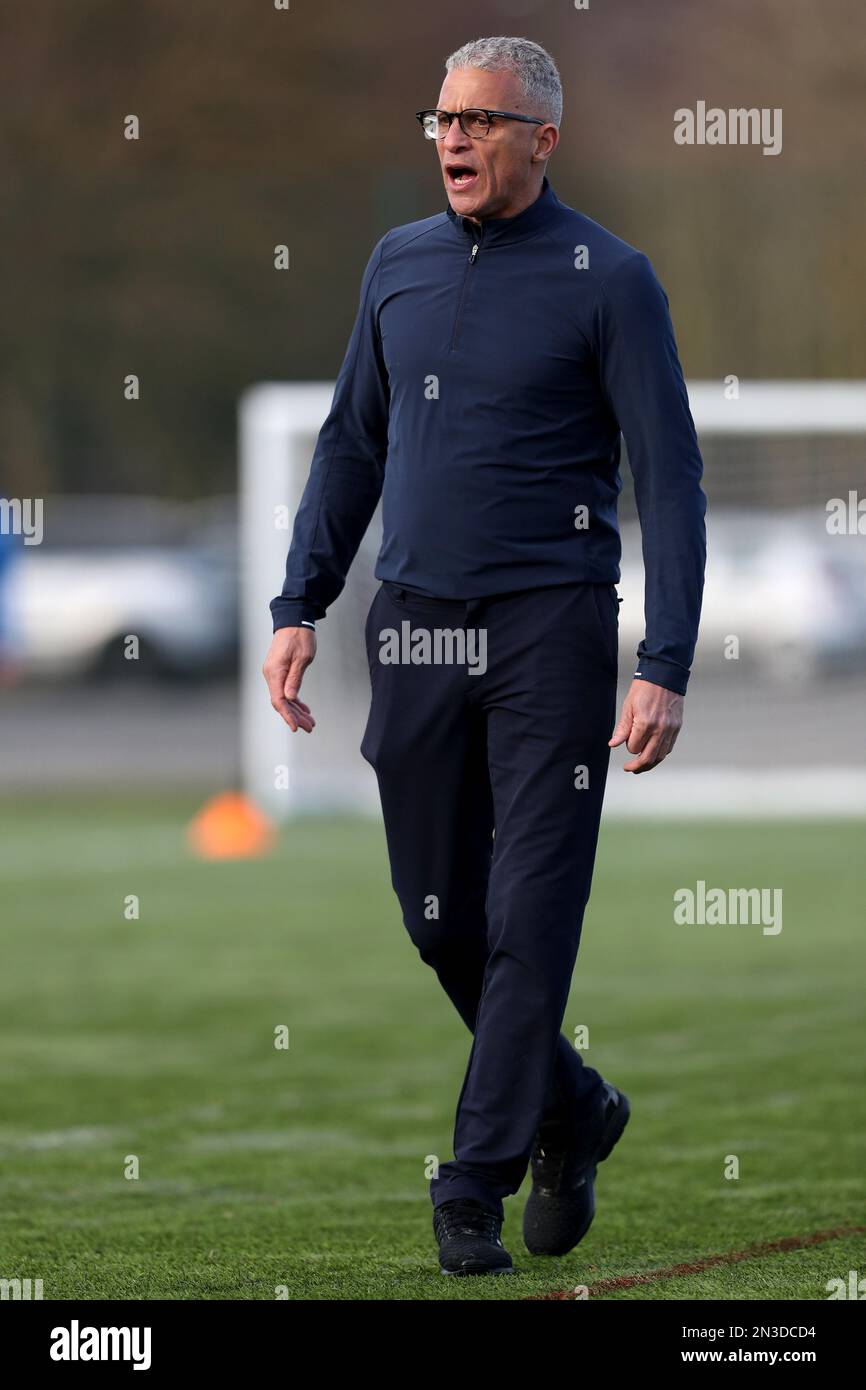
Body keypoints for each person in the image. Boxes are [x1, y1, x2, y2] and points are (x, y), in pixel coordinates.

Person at [263, 35, 706, 1275]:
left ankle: (472, 1182)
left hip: (550, 629)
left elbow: (667, 481)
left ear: (541, 139)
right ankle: (577, 1110)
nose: (452, 138)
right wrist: (298, 601)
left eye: (480, 120)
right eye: (440, 117)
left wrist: (661, 658)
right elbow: (349, 444)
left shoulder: (609, 279)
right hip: (412, 621)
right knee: (434, 913)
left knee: (529, 918)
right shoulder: (395, 265)